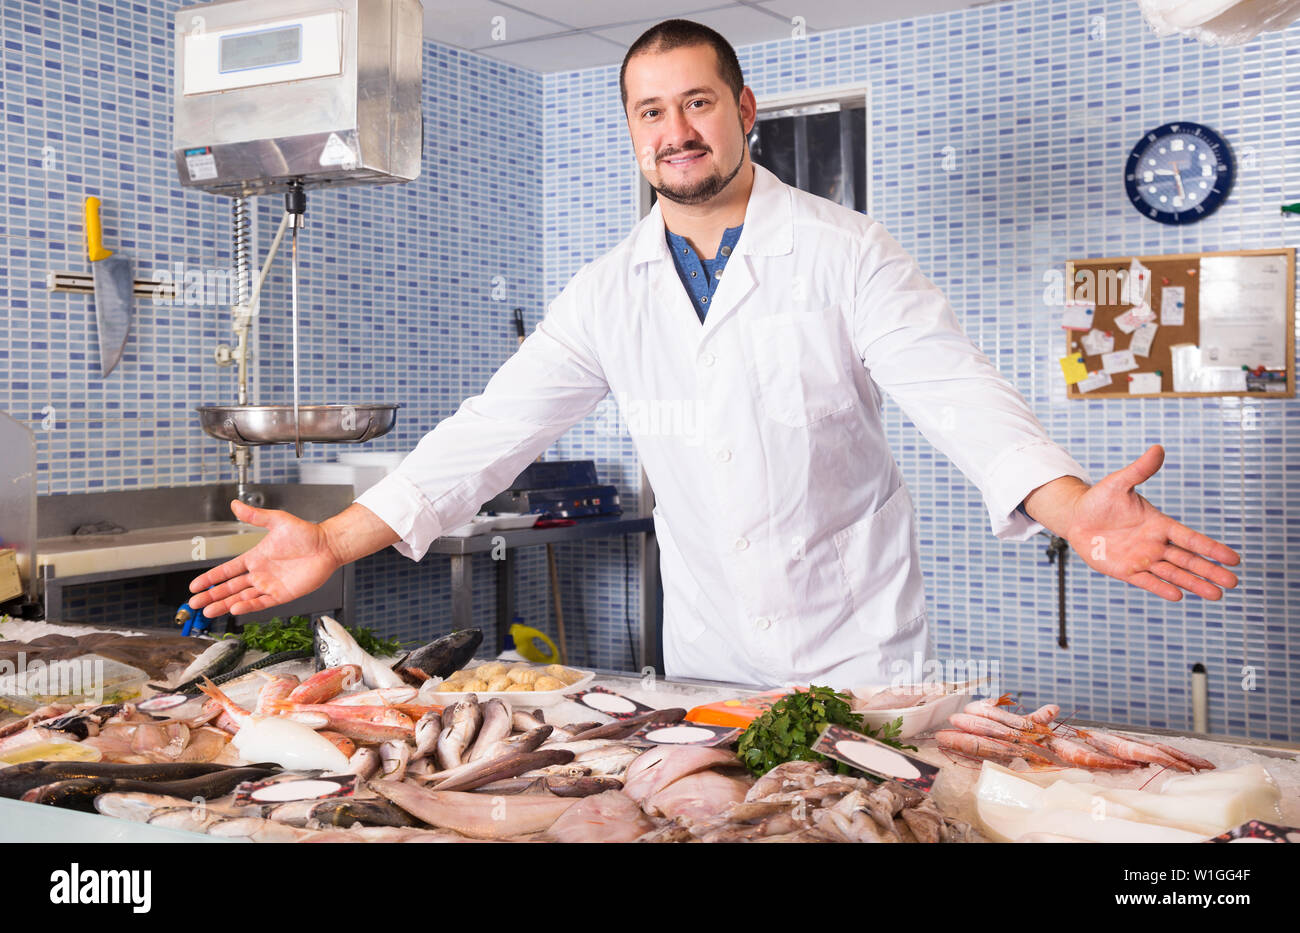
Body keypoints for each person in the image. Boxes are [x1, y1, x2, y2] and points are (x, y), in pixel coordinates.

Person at [189, 20, 1240, 687]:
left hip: (859, 648)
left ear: (743, 111)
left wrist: (1065, 507)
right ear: (632, 133)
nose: (676, 128)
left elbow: (952, 392)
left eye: (697, 102)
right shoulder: (607, 290)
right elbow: (486, 437)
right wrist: (332, 544)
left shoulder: (844, 249)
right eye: (651, 111)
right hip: (708, 659)